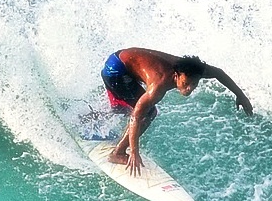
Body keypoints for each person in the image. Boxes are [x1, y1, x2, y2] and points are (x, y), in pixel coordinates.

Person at [101, 48, 252, 175]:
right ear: (177, 75)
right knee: (148, 112)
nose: (189, 88)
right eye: (186, 83)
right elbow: (136, 116)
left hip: (127, 60)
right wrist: (134, 151)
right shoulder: (159, 84)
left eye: (194, 84)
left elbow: (219, 73)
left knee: (121, 108)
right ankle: (118, 153)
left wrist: (241, 95)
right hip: (115, 70)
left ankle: (90, 118)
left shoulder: (194, 69)